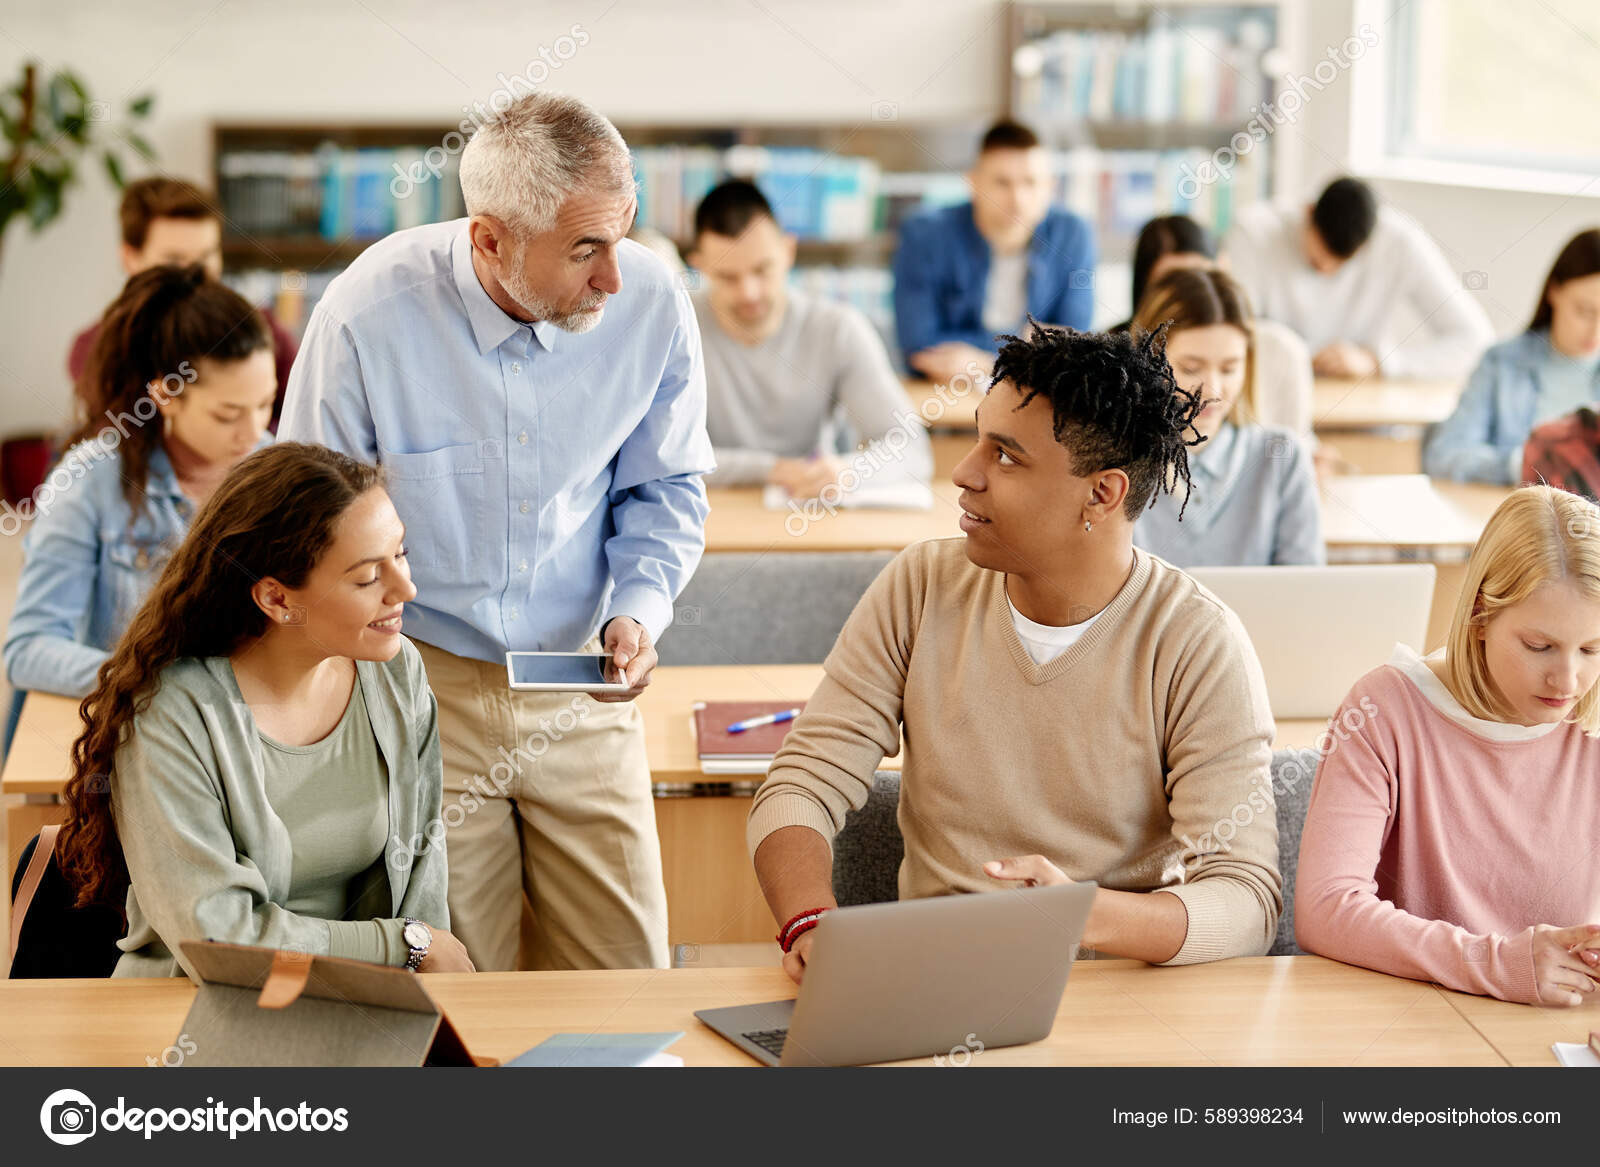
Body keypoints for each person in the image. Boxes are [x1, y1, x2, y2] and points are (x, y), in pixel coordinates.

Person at [280, 93, 714, 973]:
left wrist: (639, 609)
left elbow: (665, 486)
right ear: (489, 239)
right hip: (420, 688)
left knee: (625, 978)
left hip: (583, 677)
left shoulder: (655, 300)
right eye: (585, 249)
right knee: (459, 983)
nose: (612, 278)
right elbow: (311, 521)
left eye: (621, 235)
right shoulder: (368, 312)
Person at [748, 326, 1281, 984]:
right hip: (931, 990)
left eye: (1005, 456)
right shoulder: (919, 587)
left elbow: (1247, 899)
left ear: (1102, 493)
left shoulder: (1197, 643)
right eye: (977, 439)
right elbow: (799, 784)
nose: (964, 473)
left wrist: (1080, 915)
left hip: (1116, 999)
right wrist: (807, 921)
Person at [53, 443, 470, 980]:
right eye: (368, 577)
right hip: (200, 1012)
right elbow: (219, 940)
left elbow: (422, 876)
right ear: (276, 600)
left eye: (402, 554)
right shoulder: (172, 712)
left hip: (365, 1001)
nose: (405, 589)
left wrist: (424, 990)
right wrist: (402, 945)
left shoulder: (396, 672)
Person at [1295, 486, 1600, 1006]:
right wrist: (1495, 964)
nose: (1568, 680)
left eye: (1593, 648)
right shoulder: (1384, 710)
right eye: (1539, 646)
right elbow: (1326, 909)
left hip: (1560, 1027)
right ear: (1480, 614)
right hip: (1416, 1023)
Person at [5, 265, 276, 702]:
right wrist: (164, 681)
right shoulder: (90, 479)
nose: (252, 431)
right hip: (135, 720)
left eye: (265, 403)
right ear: (165, 395)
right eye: (227, 414)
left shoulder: (275, 468)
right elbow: (28, 650)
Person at [688, 179, 931, 499]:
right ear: (698, 265)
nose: (749, 292)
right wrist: (772, 470)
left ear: (788, 251)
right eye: (727, 276)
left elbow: (911, 449)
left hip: (809, 516)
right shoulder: (676, 328)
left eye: (762, 270)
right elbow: (662, 455)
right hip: (709, 524)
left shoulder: (838, 329)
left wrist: (849, 471)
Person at [1130, 269, 1324, 567]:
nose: (1212, 391)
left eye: (1229, 369)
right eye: (1192, 368)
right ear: (1149, 361)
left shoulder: (1281, 457)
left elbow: (1306, 593)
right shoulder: (1116, 457)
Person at [66, 177, 298, 425]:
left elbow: (298, 419)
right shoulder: (97, 348)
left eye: (207, 255)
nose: (198, 272)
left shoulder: (260, 328)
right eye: (175, 260)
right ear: (130, 258)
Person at [1226, 176, 1493, 379]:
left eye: (1341, 265)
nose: (1328, 271)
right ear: (1308, 213)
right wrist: (1301, 358)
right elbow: (1231, 334)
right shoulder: (1254, 232)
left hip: (1362, 411)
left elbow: (1475, 341)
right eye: (1317, 262)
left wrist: (1379, 363)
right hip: (1276, 393)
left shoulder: (1401, 242)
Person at [893, 119, 1095, 385]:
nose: (1018, 199)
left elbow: (1076, 343)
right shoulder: (924, 235)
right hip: (947, 395)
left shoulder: (1073, 234)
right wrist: (1028, 345)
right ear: (973, 182)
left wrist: (982, 361)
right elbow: (918, 343)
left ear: (1050, 186)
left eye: (1031, 182)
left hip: (1038, 399)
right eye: (1002, 183)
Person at [1425, 229, 1600, 484]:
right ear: (1554, 291)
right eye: (1584, 311)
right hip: (1518, 518)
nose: (1595, 330)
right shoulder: (1501, 363)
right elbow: (1445, 454)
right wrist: (1529, 464)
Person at [1116, 214, 1314, 441]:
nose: (1193, 301)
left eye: (1203, 279)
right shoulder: (1115, 364)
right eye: (1191, 367)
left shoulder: (1281, 351)